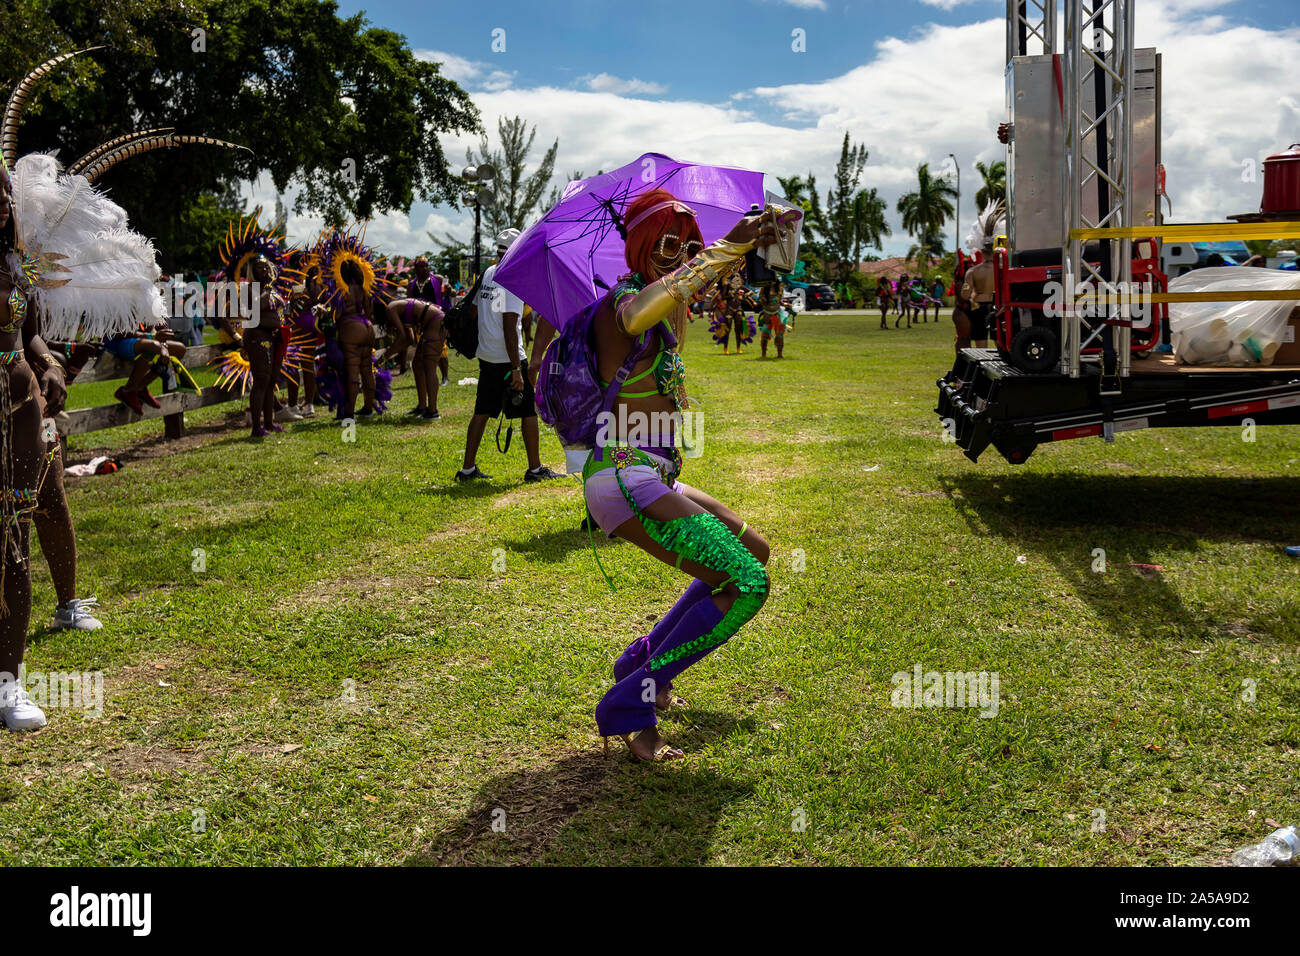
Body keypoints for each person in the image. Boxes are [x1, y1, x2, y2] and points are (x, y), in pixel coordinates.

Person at [579, 189, 792, 761]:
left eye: (689, 245)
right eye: (668, 245)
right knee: (748, 584)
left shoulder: (666, 309)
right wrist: (721, 250)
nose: (679, 256)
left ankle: (639, 661)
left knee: (755, 550)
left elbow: (686, 296)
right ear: (642, 247)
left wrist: (753, 242)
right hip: (622, 475)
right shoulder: (624, 299)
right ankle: (632, 703)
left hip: (653, 474)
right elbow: (636, 313)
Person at [457, 230, 561, 483]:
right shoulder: (513, 277)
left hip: (487, 355)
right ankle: (535, 469)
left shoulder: (488, 273)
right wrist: (516, 368)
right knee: (527, 413)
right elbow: (509, 325)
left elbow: (471, 312)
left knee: (481, 411)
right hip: (509, 358)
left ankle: (468, 469)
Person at [105, 324, 189, 414]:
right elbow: (114, 332)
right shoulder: (117, 309)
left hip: (144, 341)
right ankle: (128, 390)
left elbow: (151, 327)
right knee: (153, 346)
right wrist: (151, 337)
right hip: (118, 343)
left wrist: (160, 339)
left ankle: (140, 387)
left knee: (180, 349)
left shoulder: (145, 309)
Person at [385, 296, 444, 420]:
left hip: (435, 321)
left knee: (429, 367)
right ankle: (422, 406)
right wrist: (385, 357)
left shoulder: (391, 309)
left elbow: (402, 337)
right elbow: (408, 339)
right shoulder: (396, 308)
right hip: (431, 323)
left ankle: (432, 411)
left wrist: (383, 358)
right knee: (417, 365)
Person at [408, 259, 450, 386]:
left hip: (436, 319)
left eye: (427, 266)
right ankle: (426, 376)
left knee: (440, 349)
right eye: (422, 266)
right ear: (416, 269)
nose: (425, 268)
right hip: (420, 322)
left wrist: (449, 290)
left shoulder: (437, 278)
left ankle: (445, 377)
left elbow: (450, 291)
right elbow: (409, 302)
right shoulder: (411, 284)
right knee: (423, 350)